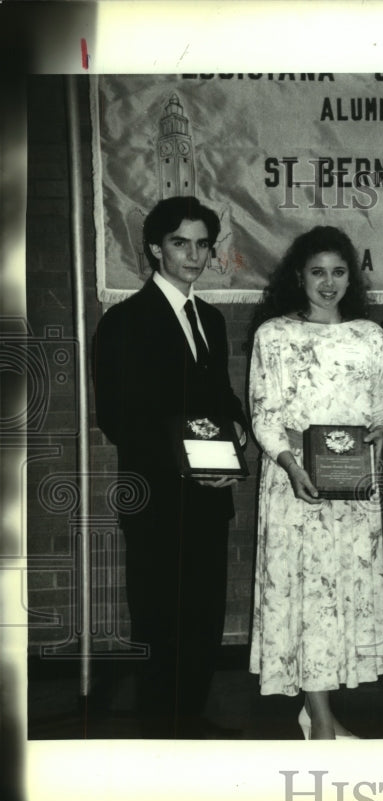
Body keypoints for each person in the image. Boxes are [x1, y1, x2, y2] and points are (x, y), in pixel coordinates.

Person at [92, 196, 247, 738]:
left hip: (210, 496)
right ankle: (160, 735)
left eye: (203, 243)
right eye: (181, 243)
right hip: (158, 499)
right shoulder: (124, 320)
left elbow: (222, 398)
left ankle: (192, 720)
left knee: (203, 617)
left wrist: (238, 439)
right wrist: (186, 466)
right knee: (160, 620)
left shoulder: (209, 318)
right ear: (156, 248)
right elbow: (115, 418)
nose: (194, 254)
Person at [247, 226, 383, 740]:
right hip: (297, 487)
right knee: (306, 598)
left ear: (351, 276)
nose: (328, 283)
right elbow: (263, 415)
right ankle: (324, 725)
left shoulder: (370, 335)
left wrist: (380, 428)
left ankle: (317, 714)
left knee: (338, 599)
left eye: (338, 272)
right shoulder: (274, 335)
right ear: (299, 276)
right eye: (317, 272)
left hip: (353, 491)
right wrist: (292, 465)